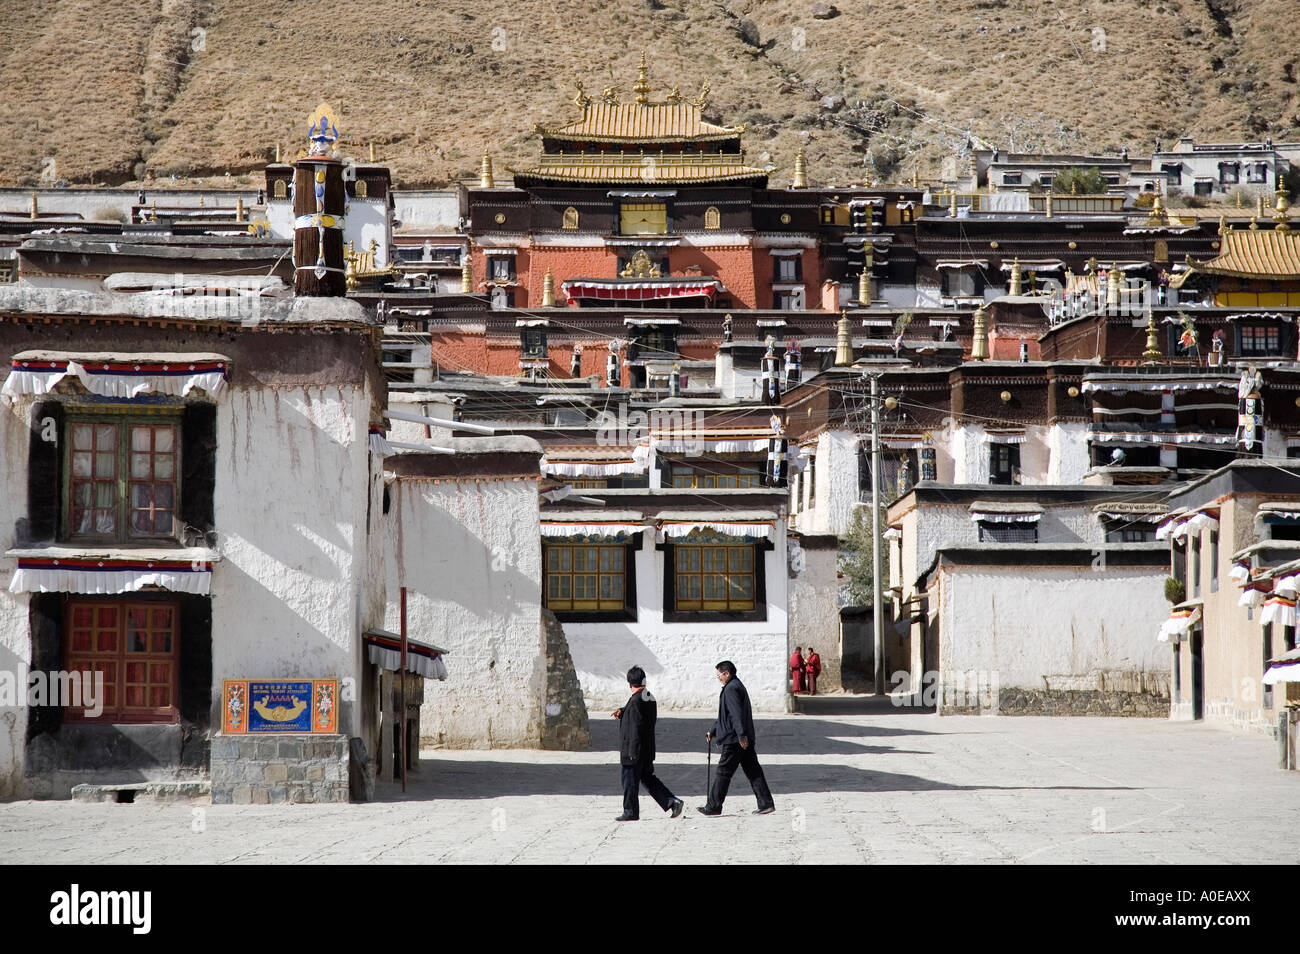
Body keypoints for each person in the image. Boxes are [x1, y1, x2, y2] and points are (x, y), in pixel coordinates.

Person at [698, 660, 775, 816]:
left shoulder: (731, 688)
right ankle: (766, 803)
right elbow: (725, 715)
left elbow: (735, 714)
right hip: (741, 737)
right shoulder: (735, 685)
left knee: (723, 772)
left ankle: (713, 806)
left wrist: (740, 735)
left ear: (727, 673)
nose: (718, 678)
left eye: (719, 675)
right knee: (753, 771)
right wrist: (713, 730)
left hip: (734, 739)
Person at [612, 666, 684, 822]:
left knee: (629, 782)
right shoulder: (648, 696)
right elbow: (639, 714)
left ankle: (630, 811)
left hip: (635, 750)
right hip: (646, 749)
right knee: (648, 779)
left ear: (630, 684)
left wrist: (632, 751)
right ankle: (672, 802)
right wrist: (622, 710)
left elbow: (637, 726)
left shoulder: (637, 699)